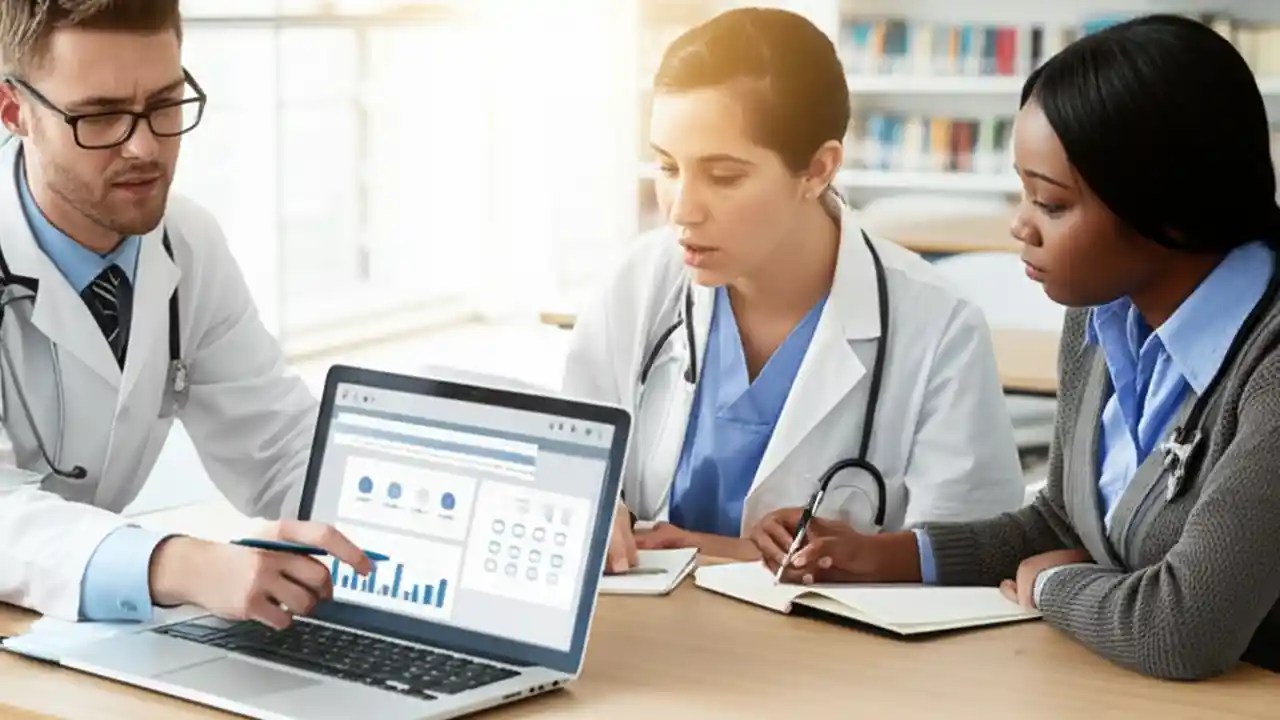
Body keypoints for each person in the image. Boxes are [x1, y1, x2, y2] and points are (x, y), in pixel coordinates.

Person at [755, 14, 1280, 680]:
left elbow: (1181, 628)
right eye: (1022, 191)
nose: (1019, 225)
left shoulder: (1269, 369)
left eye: (1051, 204)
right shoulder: (1100, 317)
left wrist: (1049, 588)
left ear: (1168, 212)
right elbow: (1065, 522)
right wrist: (888, 555)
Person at [562, 8, 1024, 572]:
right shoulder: (638, 286)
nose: (681, 209)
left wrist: (722, 553)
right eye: (667, 167)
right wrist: (589, 505)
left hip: (832, 653)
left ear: (818, 169)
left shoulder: (939, 329)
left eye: (724, 176)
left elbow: (962, 562)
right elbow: (572, 465)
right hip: (656, 636)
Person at [0, 0, 370, 628]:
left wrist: (434, 523)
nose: (145, 148)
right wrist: (176, 564)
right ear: (15, 112)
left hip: (57, 633)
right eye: (102, 116)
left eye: (165, 105)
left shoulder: (187, 242)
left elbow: (279, 447)